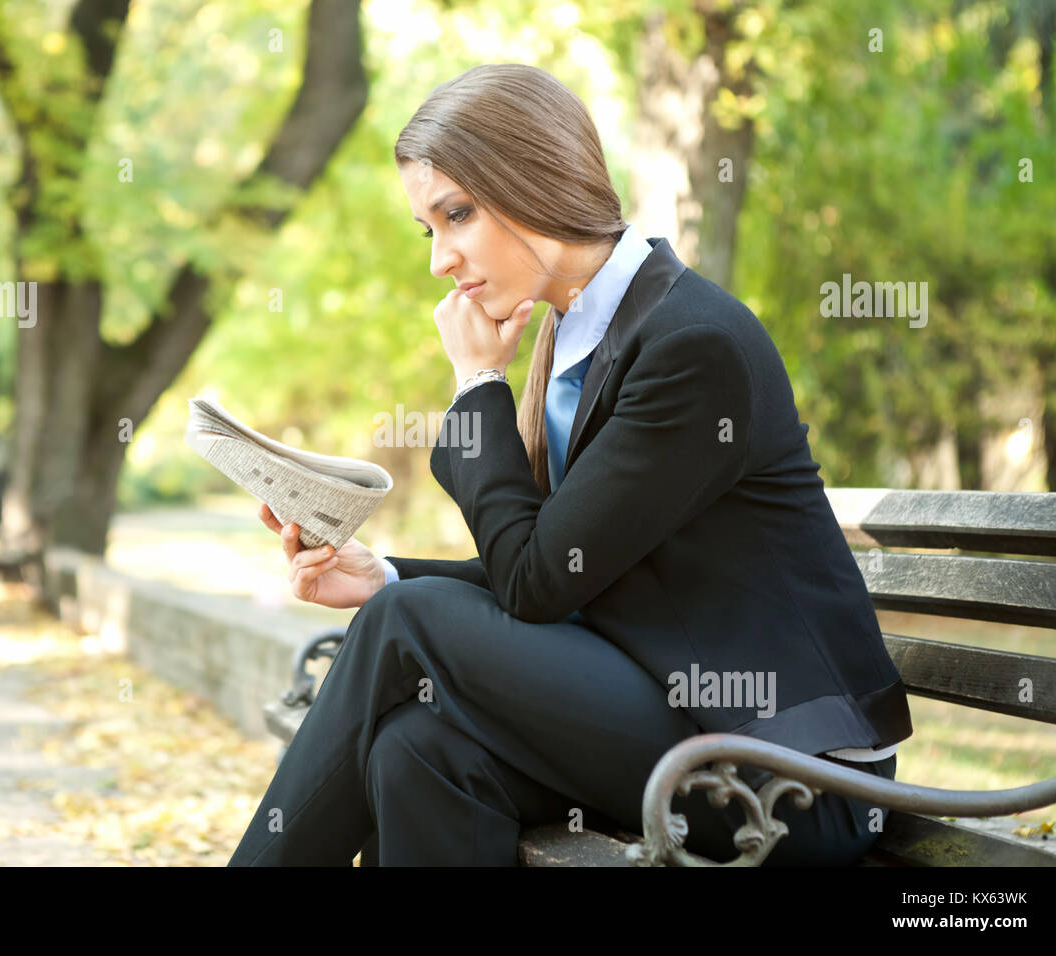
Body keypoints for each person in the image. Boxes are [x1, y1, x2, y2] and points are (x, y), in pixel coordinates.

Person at [228, 63, 911, 867]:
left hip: (791, 776)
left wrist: (478, 385)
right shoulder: (577, 338)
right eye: (429, 229)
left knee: (402, 628)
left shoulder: (692, 345)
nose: (440, 259)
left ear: (533, 181)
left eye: (457, 215)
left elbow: (538, 581)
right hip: (677, 720)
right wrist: (384, 576)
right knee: (416, 750)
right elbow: (563, 568)